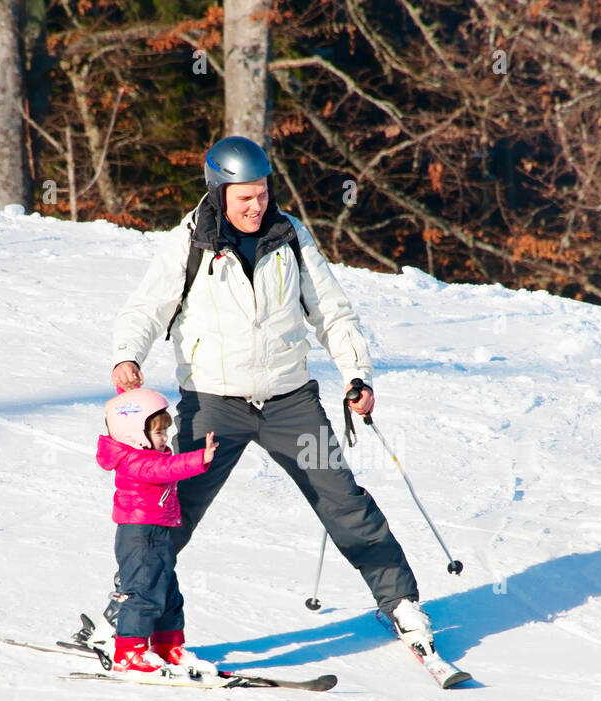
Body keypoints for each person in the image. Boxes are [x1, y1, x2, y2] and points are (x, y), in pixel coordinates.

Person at [109, 135, 436, 652]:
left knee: (343, 501)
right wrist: (128, 354)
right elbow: (146, 309)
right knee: (169, 514)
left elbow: (332, 312)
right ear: (218, 192)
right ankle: (129, 610)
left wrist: (357, 374)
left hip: (289, 402)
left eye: (262, 193)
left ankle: (400, 603)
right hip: (213, 402)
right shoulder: (189, 241)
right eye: (245, 197)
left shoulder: (290, 236)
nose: (257, 205)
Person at [96, 387, 219, 674]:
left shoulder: (147, 454)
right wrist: (199, 459)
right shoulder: (134, 460)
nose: (165, 439)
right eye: (159, 433)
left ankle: (167, 645)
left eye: (165, 432)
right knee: (143, 592)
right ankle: (128, 651)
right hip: (139, 535)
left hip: (158, 532)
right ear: (134, 434)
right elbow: (163, 470)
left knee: (168, 592)